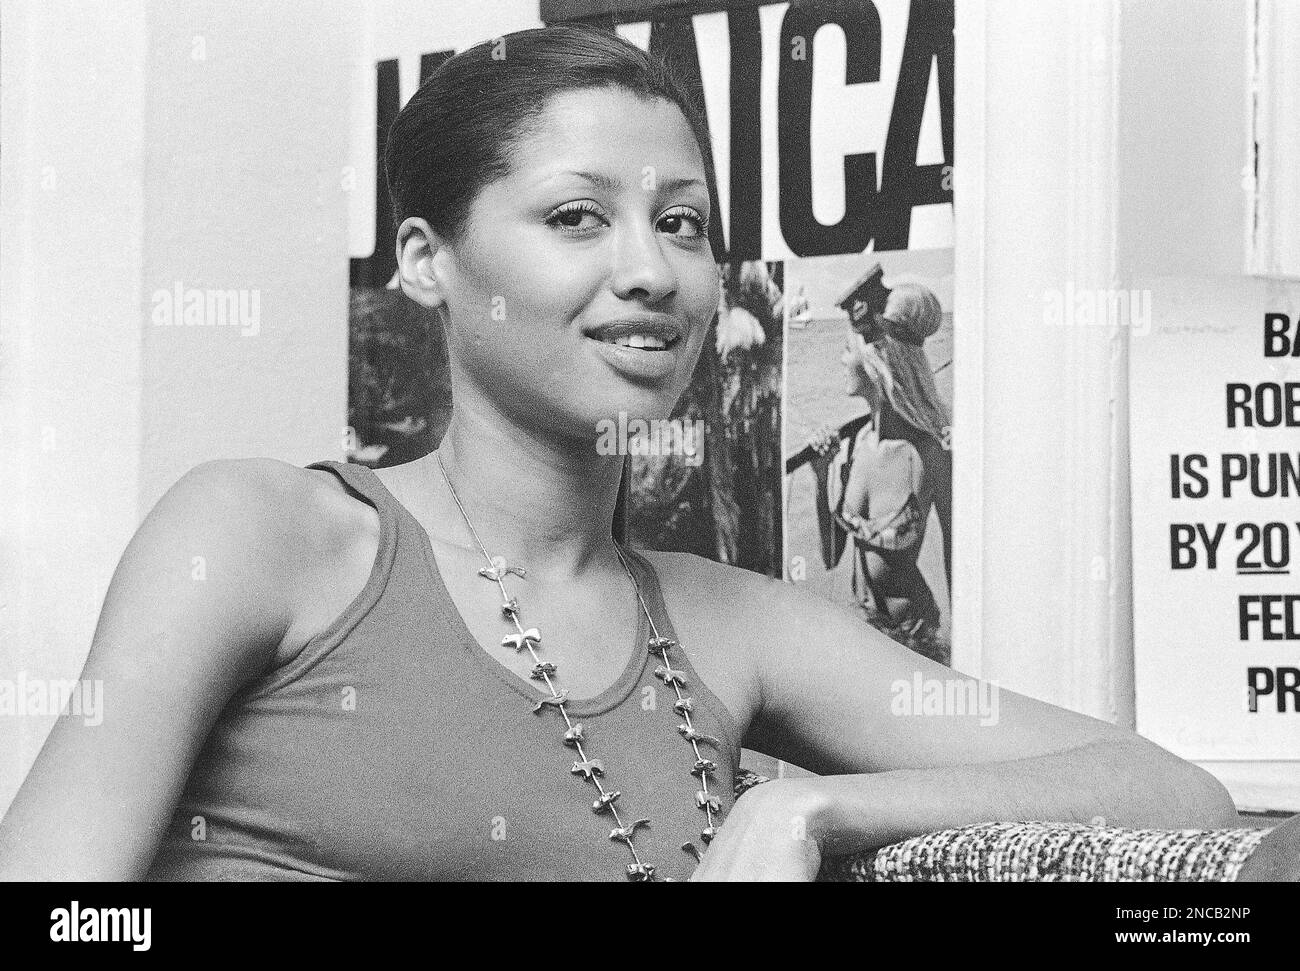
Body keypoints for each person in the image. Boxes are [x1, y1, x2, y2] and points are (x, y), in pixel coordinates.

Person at [0, 25, 1277, 883]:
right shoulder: (265, 534)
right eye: (575, 217)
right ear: (426, 261)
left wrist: (815, 808)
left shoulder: (729, 626)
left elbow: (1171, 794)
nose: (650, 271)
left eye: (682, 223)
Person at [809, 283, 953, 656]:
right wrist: (821, 474)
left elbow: (958, 561)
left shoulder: (928, 454)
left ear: (874, 361)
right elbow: (831, 557)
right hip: (864, 630)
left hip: (915, 639)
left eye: (846, 350)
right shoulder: (855, 446)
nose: (841, 361)